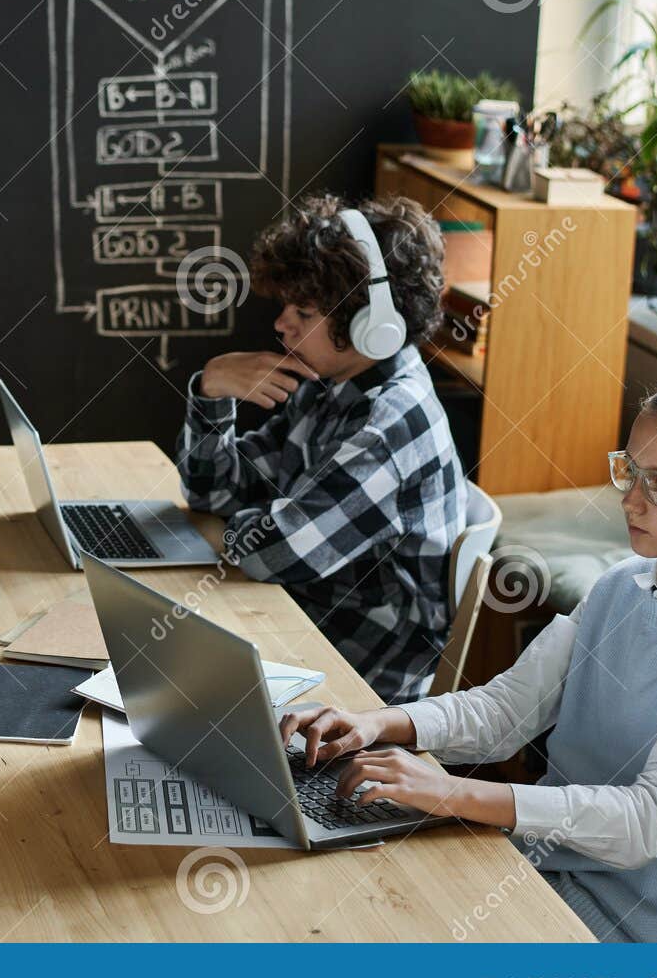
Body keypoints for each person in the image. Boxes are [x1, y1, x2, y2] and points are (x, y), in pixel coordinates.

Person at [280, 373, 657, 941]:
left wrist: (452, 793)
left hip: (632, 931)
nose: (631, 499)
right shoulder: (622, 586)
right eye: (630, 471)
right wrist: (380, 723)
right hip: (531, 870)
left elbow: (649, 822)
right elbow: (505, 711)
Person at [178, 193, 466, 702]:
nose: (280, 323)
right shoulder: (329, 385)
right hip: (298, 619)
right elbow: (217, 495)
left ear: (372, 324)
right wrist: (213, 389)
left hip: (356, 676)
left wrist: (255, 518)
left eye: (303, 311)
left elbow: (274, 553)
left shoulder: (389, 425)